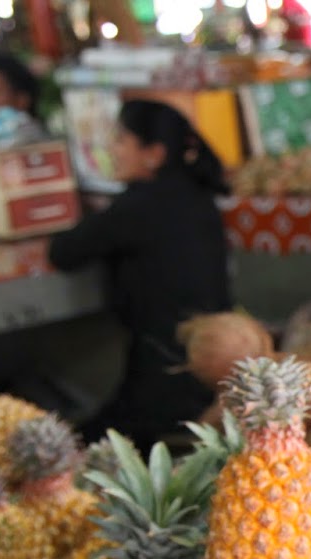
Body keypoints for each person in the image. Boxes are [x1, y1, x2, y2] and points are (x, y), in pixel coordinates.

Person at [48, 100, 231, 452]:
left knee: (77, 445)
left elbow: (63, 252)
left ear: (153, 154)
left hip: (163, 392)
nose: (111, 150)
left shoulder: (139, 207)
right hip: (207, 380)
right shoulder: (198, 196)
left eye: (120, 140)